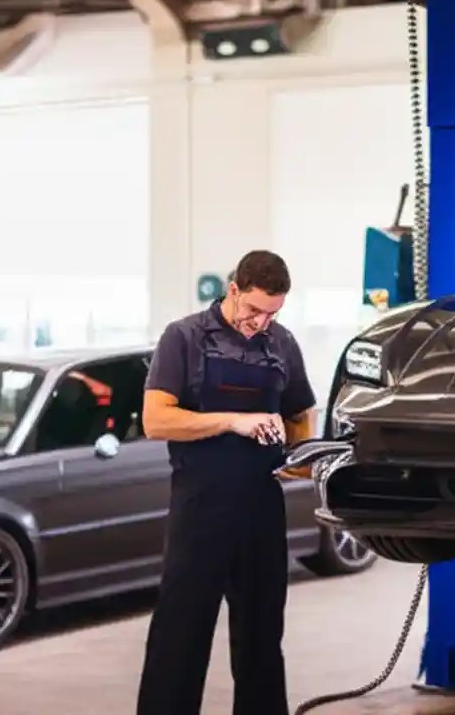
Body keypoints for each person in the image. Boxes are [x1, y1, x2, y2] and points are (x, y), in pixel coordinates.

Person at [135, 250, 317, 715]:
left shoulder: (282, 343)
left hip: (261, 506)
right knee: (181, 634)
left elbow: (300, 411)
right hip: (201, 507)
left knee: (262, 637)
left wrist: (300, 455)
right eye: (254, 309)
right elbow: (157, 420)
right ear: (233, 289)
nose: (261, 322)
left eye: (272, 313)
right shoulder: (184, 338)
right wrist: (234, 421)